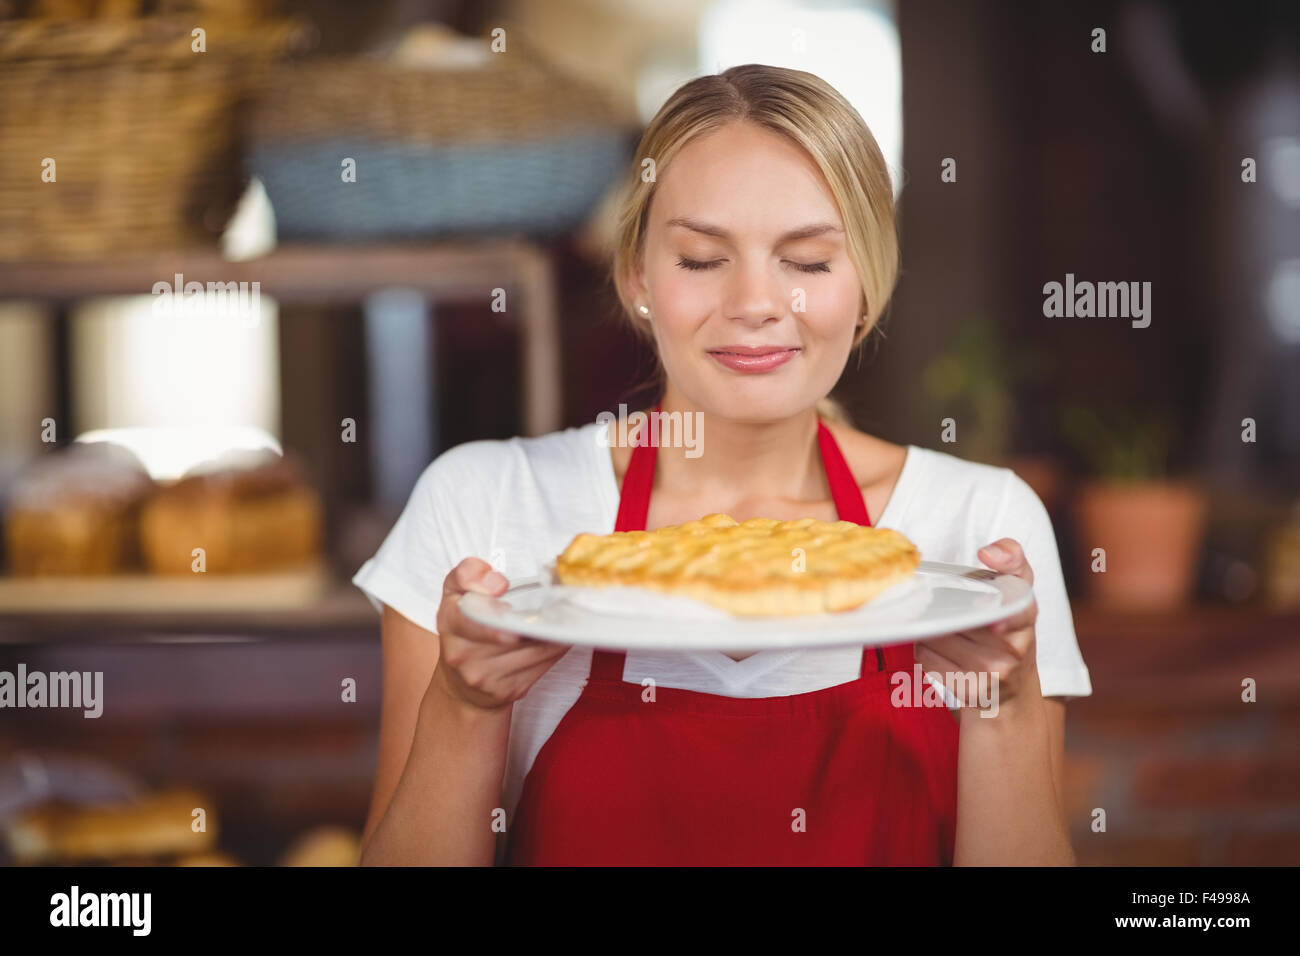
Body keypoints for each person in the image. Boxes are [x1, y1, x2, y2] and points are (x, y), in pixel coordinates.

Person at [352, 63, 1092, 866]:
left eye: (807, 262)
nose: (753, 303)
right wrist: (464, 708)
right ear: (638, 276)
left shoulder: (979, 527)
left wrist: (1005, 705)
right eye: (703, 259)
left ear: (867, 286)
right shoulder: (483, 505)